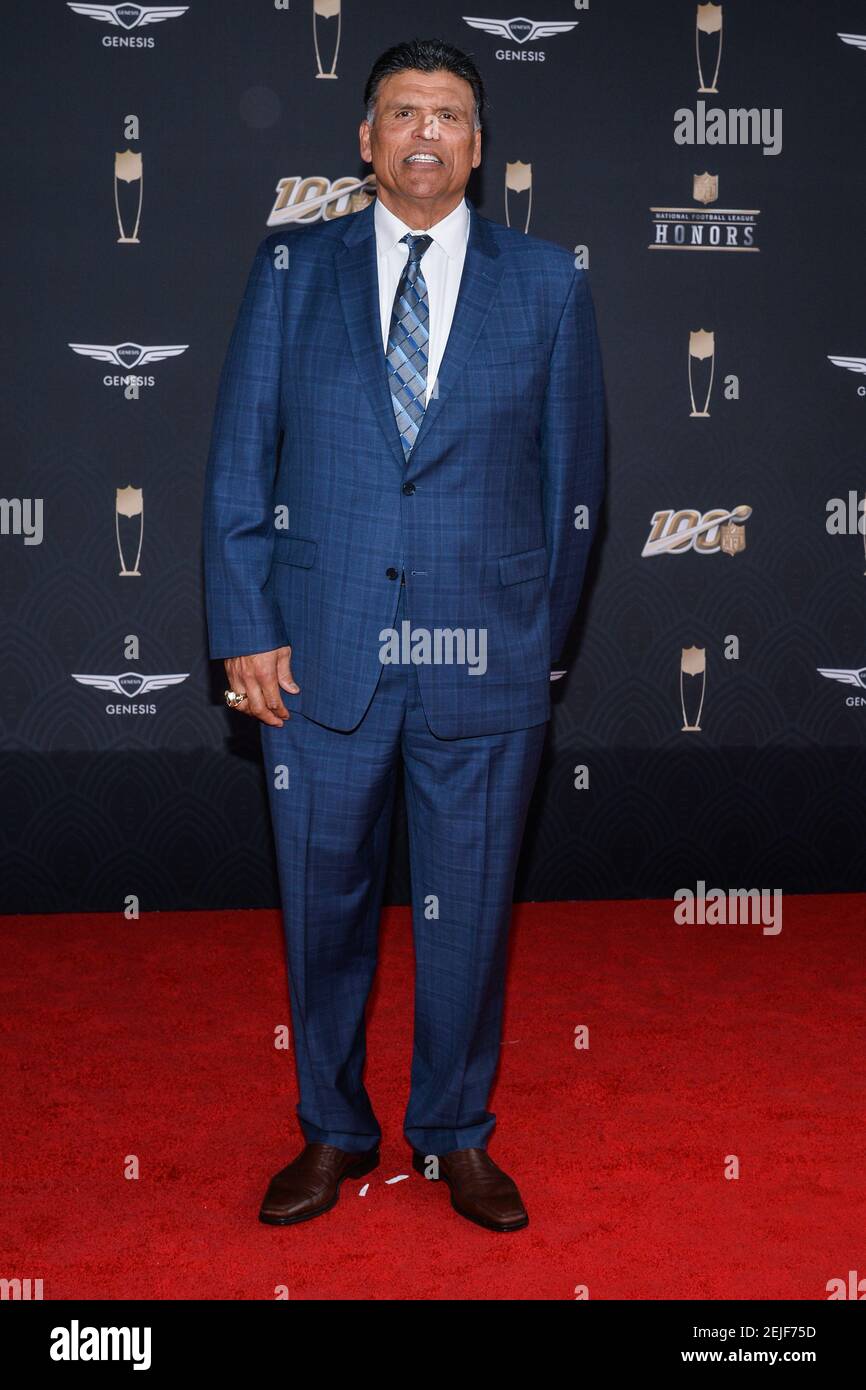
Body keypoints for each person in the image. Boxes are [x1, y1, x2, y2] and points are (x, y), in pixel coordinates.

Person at [202, 36, 605, 1233]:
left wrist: (533, 649)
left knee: (471, 914)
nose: (424, 131)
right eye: (400, 112)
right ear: (365, 140)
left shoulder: (547, 284)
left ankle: (453, 1134)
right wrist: (244, 627)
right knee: (321, 908)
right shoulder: (290, 270)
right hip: (316, 655)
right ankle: (331, 1127)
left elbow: (571, 483)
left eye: (447, 114)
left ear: (478, 150)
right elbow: (240, 457)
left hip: (482, 664)